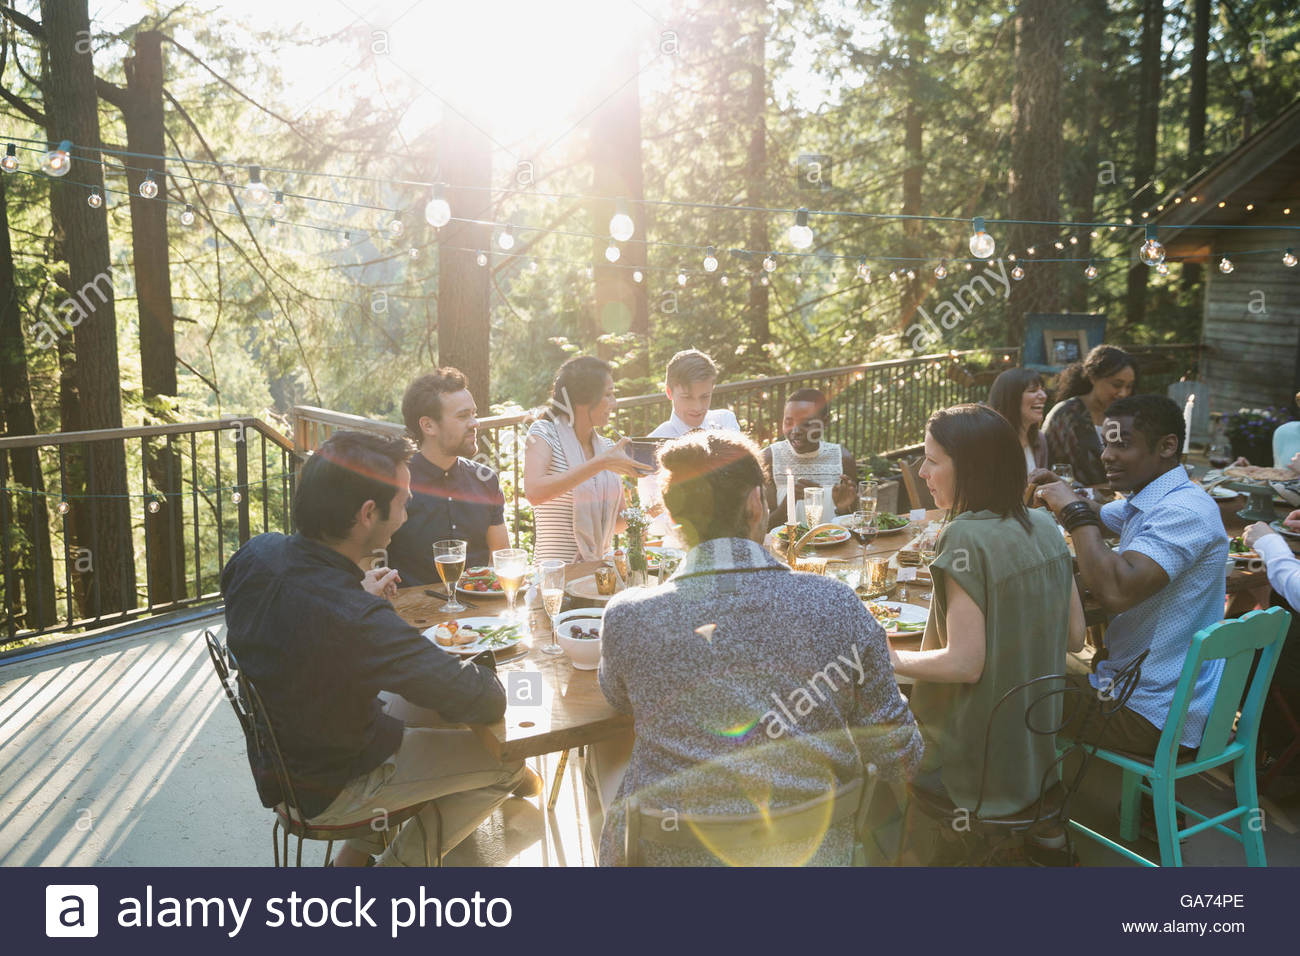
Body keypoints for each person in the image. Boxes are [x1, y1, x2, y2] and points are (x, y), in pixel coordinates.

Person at [597, 431, 924, 865]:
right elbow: (902, 754)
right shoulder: (838, 604)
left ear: (674, 519)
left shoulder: (627, 616)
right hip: (816, 857)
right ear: (756, 502)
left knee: (604, 753)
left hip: (670, 858)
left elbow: (616, 696)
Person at [221, 430, 538, 867]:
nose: (407, 515)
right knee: (506, 764)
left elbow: (299, 615)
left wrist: (353, 590)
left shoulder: (257, 554)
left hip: (283, 760)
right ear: (368, 513)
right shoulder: (355, 618)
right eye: (405, 502)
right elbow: (484, 700)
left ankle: (348, 866)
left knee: (433, 711)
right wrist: (496, 664)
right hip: (335, 784)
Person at [893, 404, 1085, 820]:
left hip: (976, 772)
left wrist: (885, 656)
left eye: (932, 460)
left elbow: (965, 664)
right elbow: (1075, 638)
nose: (923, 472)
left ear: (970, 469)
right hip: (1039, 762)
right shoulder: (1046, 525)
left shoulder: (962, 536)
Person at [1033, 395, 1228, 757]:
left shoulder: (1184, 511)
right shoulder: (1156, 497)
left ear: (1167, 446)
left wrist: (1072, 509)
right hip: (1151, 690)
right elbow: (1099, 513)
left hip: (1153, 712)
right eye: (1106, 443)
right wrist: (1063, 494)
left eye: (1121, 445)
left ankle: (1015, 801)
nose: (1106, 455)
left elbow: (1116, 591)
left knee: (1011, 687)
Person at [524, 355, 651, 563]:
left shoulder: (608, 448)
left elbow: (616, 523)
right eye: (608, 395)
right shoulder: (543, 432)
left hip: (600, 576)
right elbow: (534, 492)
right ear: (583, 399)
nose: (614, 403)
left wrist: (648, 511)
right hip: (555, 577)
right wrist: (600, 464)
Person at [385, 368, 508, 581]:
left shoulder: (485, 479)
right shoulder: (393, 482)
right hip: (412, 611)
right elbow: (368, 564)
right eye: (463, 416)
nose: (475, 423)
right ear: (428, 425)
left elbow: (502, 558)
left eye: (474, 414)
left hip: (479, 610)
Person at [640, 348, 741, 535]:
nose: (698, 407)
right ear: (669, 392)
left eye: (705, 396)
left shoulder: (725, 422)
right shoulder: (652, 444)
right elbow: (651, 522)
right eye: (687, 397)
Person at [762, 388, 858, 529]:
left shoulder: (842, 458)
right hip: (786, 550)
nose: (795, 431)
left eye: (806, 424)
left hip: (832, 548)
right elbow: (762, 529)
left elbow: (856, 523)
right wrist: (788, 502)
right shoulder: (769, 459)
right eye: (788, 422)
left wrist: (843, 509)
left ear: (824, 422)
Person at [1042, 345, 1136, 486]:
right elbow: (1050, 468)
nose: (1123, 393)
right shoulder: (1065, 416)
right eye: (1117, 385)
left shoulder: (1124, 417)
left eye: (1129, 387)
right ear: (1093, 378)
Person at [988, 368, 1049, 478]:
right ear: (1011, 398)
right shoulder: (990, 442)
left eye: (1042, 389)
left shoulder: (1039, 439)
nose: (1044, 396)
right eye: (1033, 390)